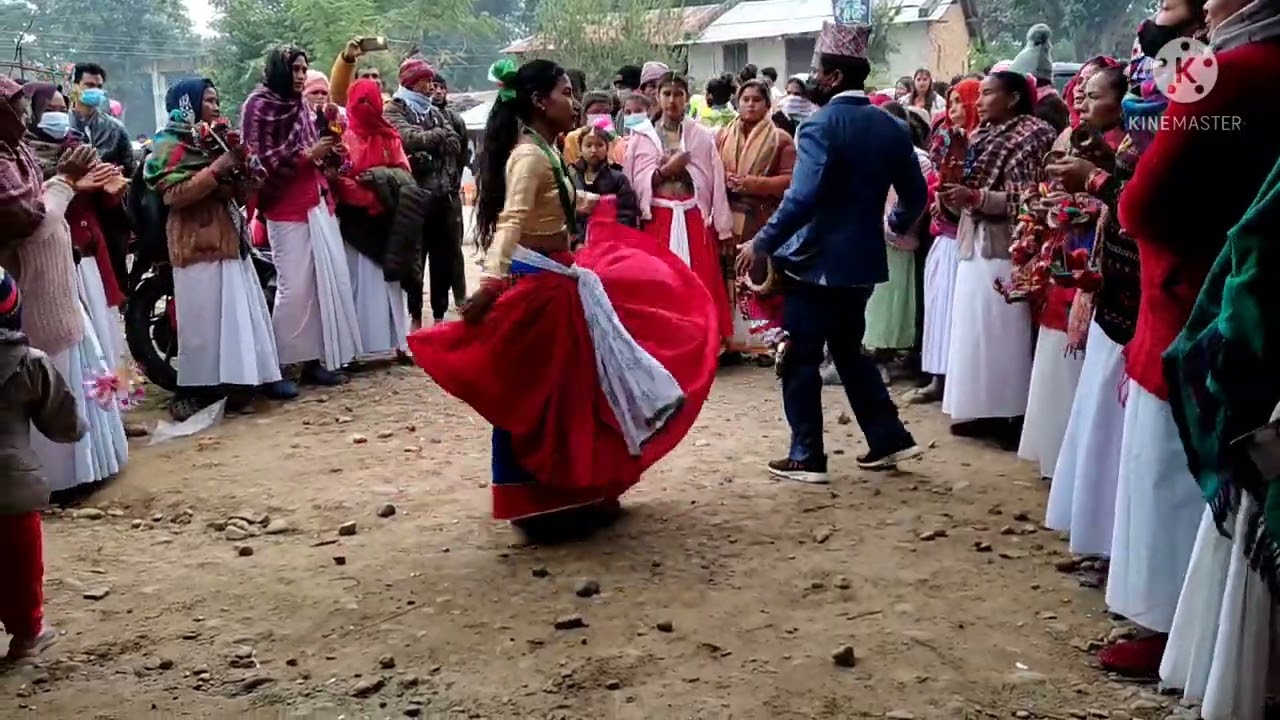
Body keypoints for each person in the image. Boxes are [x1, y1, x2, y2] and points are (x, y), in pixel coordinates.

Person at [405, 58, 719, 537]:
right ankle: (544, 503)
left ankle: (571, 496)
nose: (573, 102)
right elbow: (512, 222)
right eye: (566, 93)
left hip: (557, 281)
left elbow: (562, 203)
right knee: (544, 397)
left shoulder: (545, 151)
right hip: (540, 288)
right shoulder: (530, 156)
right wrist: (490, 285)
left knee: (567, 392)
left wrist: (602, 204)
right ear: (538, 101)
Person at [1074, 0, 1280, 681]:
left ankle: (1172, 628)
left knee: (1175, 471)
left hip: (1193, 295)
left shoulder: (1223, 68)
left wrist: (1108, 183)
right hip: (1247, 297)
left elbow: (1144, 200)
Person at [736, 19, 926, 481]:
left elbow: (803, 198)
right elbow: (916, 194)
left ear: (835, 76)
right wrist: (892, 224)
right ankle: (887, 438)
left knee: (799, 355)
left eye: (819, 70)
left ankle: (807, 455)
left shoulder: (818, 126)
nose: (814, 77)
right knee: (847, 349)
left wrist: (761, 242)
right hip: (861, 264)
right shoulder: (891, 126)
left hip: (815, 264)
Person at [0, 76, 128, 494]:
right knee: (47, 378)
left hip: (61, 283)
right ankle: (61, 479)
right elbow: (31, 222)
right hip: (31, 292)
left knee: (81, 370)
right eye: (18, 109)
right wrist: (67, 182)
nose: (26, 117)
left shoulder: (18, 153)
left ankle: (90, 467)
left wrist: (77, 183)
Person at [146, 78, 296, 419]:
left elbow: (236, 195)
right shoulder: (168, 144)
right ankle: (196, 390)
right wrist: (217, 169)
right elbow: (174, 195)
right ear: (188, 103)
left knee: (240, 315)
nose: (216, 106)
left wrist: (245, 174)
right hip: (197, 241)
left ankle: (250, 378)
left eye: (216, 99)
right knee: (201, 322)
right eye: (209, 100)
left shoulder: (214, 139)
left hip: (229, 236)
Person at [1016, 63, 1125, 481]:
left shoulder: (1126, 146)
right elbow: (1051, 191)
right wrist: (1048, 209)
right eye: (1081, 90)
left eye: (1095, 93)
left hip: (1100, 263)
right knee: (1057, 349)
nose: (1082, 98)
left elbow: (1122, 202)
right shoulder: (1074, 138)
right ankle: (1056, 457)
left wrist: (1087, 200)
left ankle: (1078, 469)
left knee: (1080, 356)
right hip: (1067, 252)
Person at [936, 72, 1055, 449]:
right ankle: (985, 411)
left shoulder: (1034, 135)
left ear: (1015, 98)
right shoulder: (980, 136)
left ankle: (1013, 415)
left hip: (1009, 248)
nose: (981, 101)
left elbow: (1032, 200)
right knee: (976, 334)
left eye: (989, 93)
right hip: (974, 245)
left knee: (1005, 336)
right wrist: (954, 197)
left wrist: (977, 199)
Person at [240, 45, 363, 385]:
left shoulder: (301, 108)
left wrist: (329, 154)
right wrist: (308, 154)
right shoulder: (258, 106)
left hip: (317, 201)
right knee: (294, 289)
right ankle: (277, 367)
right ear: (279, 70)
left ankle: (313, 362)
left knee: (322, 283)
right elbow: (256, 162)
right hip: (284, 209)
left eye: (303, 69)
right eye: (294, 69)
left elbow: (316, 155)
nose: (299, 76)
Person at [0, 267, 86, 659]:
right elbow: (64, 424)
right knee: (21, 569)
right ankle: (27, 634)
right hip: (13, 487)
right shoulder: (30, 362)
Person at [623, 71, 734, 345]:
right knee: (658, 282)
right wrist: (663, 172)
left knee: (698, 281)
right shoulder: (642, 136)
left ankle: (699, 341)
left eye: (678, 94)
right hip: (657, 218)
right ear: (657, 97)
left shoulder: (701, 136)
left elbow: (714, 179)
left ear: (687, 98)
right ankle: (662, 341)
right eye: (667, 94)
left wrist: (723, 228)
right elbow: (632, 179)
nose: (672, 101)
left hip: (692, 216)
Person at [333, 78, 422, 360]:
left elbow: (404, 176)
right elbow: (339, 179)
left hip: (386, 219)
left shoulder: (390, 136)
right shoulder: (342, 137)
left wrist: (379, 184)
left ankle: (400, 342)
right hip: (354, 223)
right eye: (361, 102)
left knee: (392, 282)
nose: (366, 108)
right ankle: (357, 348)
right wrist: (364, 195)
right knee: (356, 281)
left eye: (371, 101)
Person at [716, 79, 795, 359]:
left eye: (756, 100)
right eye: (745, 99)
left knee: (761, 280)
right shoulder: (723, 136)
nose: (750, 104)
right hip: (728, 217)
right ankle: (733, 342)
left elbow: (789, 181)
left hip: (761, 219)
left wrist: (752, 183)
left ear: (767, 104)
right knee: (728, 279)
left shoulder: (781, 139)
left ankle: (765, 344)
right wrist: (723, 180)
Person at [912, 78, 979, 405]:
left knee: (953, 313)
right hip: (943, 239)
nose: (953, 110)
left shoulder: (978, 145)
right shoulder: (949, 141)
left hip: (964, 241)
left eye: (959, 103)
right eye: (950, 102)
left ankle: (953, 381)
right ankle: (937, 376)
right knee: (938, 309)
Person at [384, 57, 464, 327]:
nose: (430, 86)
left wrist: (433, 138)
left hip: (443, 195)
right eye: (425, 80)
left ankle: (440, 317)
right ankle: (415, 318)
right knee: (414, 262)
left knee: (443, 259)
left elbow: (454, 141)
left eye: (431, 81)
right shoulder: (394, 109)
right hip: (413, 198)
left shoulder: (433, 111)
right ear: (411, 82)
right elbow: (408, 138)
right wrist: (436, 137)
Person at [864, 101, 932, 358]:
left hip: (899, 236)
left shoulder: (918, 159)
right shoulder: (874, 153)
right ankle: (874, 350)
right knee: (876, 299)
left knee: (892, 299)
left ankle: (884, 354)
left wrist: (893, 225)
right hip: (874, 234)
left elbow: (917, 199)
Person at [430, 76, 472, 309]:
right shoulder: (418, 118)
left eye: (441, 88)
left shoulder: (455, 120)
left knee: (454, 249)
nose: (437, 92)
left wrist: (454, 177)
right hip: (425, 193)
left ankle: (461, 297)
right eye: (433, 87)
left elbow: (464, 153)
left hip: (450, 191)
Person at [570, 117, 638, 244]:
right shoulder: (572, 178)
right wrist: (577, 242)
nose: (594, 150)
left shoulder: (619, 179)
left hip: (610, 244)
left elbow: (626, 216)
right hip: (578, 247)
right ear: (580, 148)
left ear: (607, 148)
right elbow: (567, 217)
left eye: (599, 145)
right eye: (588, 145)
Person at [563, 91, 624, 165]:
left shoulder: (616, 140)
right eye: (596, 112)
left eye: (606, 112)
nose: (601, 116)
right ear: (585, 113)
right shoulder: (573, 138)